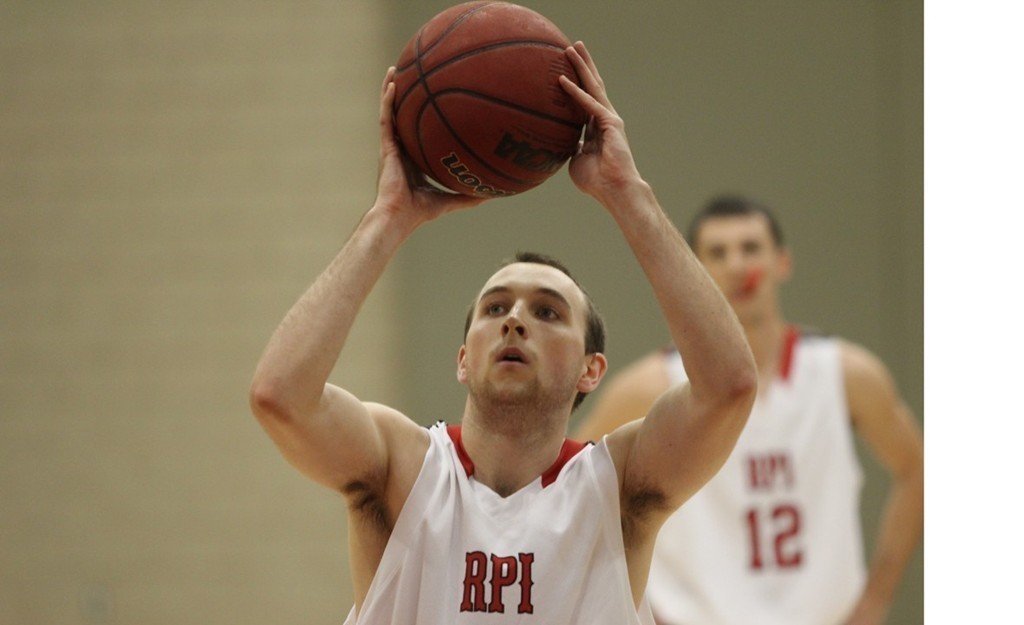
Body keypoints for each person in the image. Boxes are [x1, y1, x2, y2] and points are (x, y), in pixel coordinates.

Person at [248, 42, 757, 625]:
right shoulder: (404, 468)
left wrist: (626, 192)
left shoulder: (616, 488)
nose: (515, 318)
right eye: (495, 308)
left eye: (548, 312)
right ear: (464, 359)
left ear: (593, 369)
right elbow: (279, 397)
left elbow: (730, 388)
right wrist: (388, 218)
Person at [574, 195, 924, 625]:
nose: (737, 265)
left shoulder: (847, 374)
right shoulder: (649, 387)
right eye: (718, 253)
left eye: (751, 248)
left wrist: (876, 598)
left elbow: (917, 468)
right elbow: (571, 490)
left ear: (782, 262)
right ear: (693, 271)